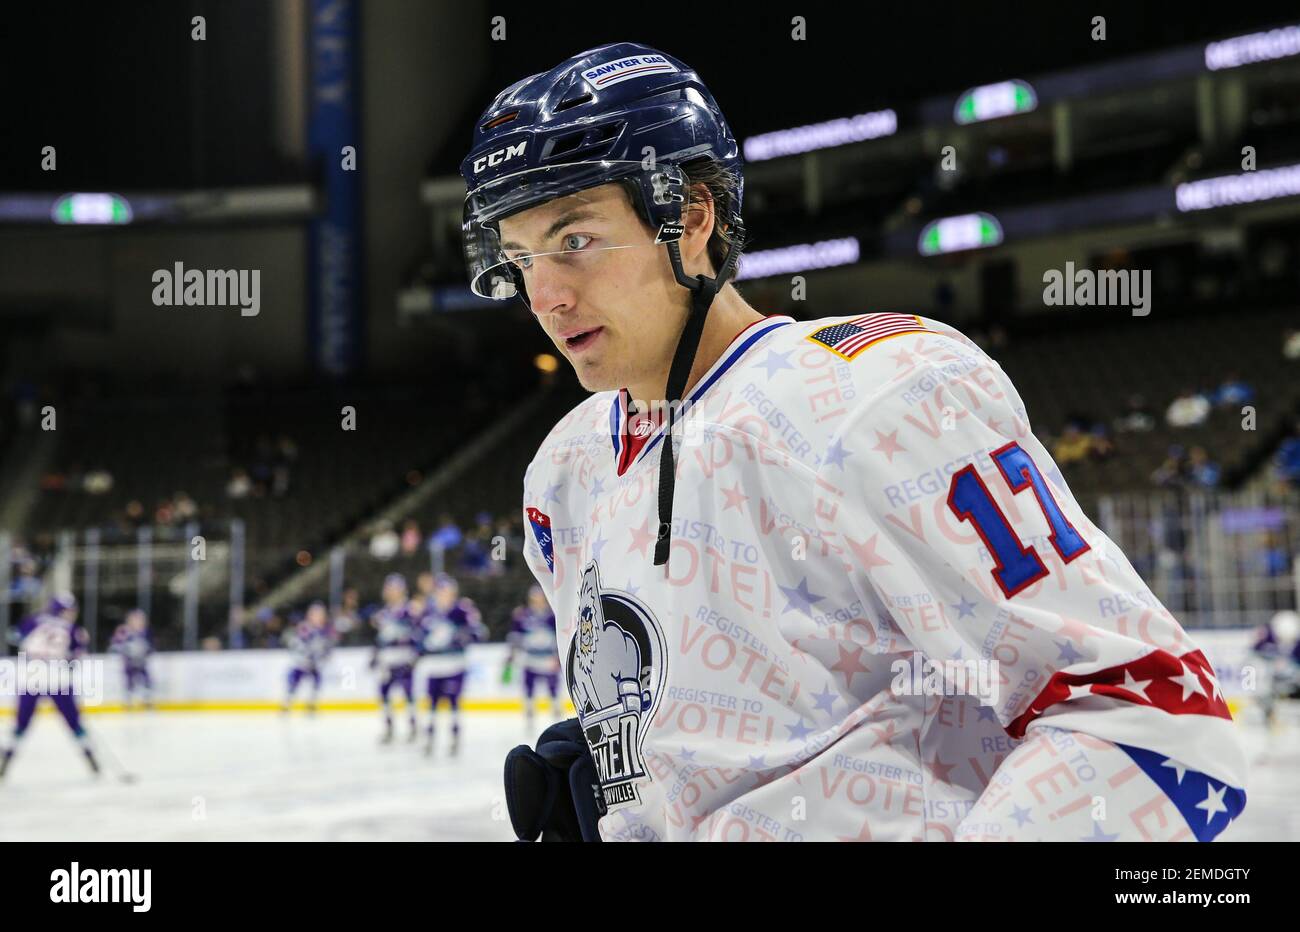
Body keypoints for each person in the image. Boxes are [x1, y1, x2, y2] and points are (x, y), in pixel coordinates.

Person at [465, 42, 1246, 841]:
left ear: (690, 217)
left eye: (575, 241)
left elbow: (1148, 715)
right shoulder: (565, 472)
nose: (546, 296)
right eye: (522, 258)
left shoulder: (876, 396)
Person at [0, 594, 100, 779]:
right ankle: (91, 759)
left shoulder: (32, 620)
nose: (73, 614)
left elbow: (13, 636)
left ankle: (5, 760)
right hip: (58, 680)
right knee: (75, 723)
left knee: (20, 725)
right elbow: (77, 656)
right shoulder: (72, 629)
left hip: (32, 679)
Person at [414, 574, 487, 757]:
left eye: (448, 591)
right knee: (431, 703)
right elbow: (418, 636)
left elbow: (480, 633)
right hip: (434, 665)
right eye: (442, 591)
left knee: (454, 702)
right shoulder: (428, 611)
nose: (445, 595)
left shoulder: (461, 610)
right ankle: (430, 738)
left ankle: (454, 737)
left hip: (455, 665)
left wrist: (465, 634)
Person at [370, 574, 419, 743]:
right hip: (387, 660)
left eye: (394, 588)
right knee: (384, 695)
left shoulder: (410, 610)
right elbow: (380, 638)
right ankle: (389, 727)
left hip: (404, 659)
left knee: (408, 694)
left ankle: (413, 726)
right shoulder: (383, 613)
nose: (391, 592)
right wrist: (375, 656)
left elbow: (418, 634)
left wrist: (414, 655)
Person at [504, 584, 561, 729]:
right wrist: (511, 656)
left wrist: (559, 657)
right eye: (535, 598)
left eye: (541, 598)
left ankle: (556, 716)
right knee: (529, 690)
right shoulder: (522, 616)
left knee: (553, 690)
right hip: (530, 660)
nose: (538, 601)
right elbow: (515, 638)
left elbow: (560, 637)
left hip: (548, 660)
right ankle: (529, 718)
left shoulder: (552, 615)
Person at [283, 602, 336, 714]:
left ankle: (311, 703)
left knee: (317, 680)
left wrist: (323, 657)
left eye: (320, 614)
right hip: (303, 661)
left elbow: (328, 647)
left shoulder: (326, 630)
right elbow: (297, 644)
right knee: (295, 679)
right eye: (315, 614)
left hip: (315, 662)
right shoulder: (305, 627)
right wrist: (304, 658)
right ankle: (288, 703)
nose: (318, 617)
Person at [109, 609, 154, 710]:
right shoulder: (124, 631)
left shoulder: (145, 633)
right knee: (129, 682)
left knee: (146, 680)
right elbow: (115, 645)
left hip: (141, 662)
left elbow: (150, 647)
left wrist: (146, 652)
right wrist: (124, 650)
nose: (139, 622)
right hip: (129, 662)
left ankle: (147, 701)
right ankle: (128, 702)